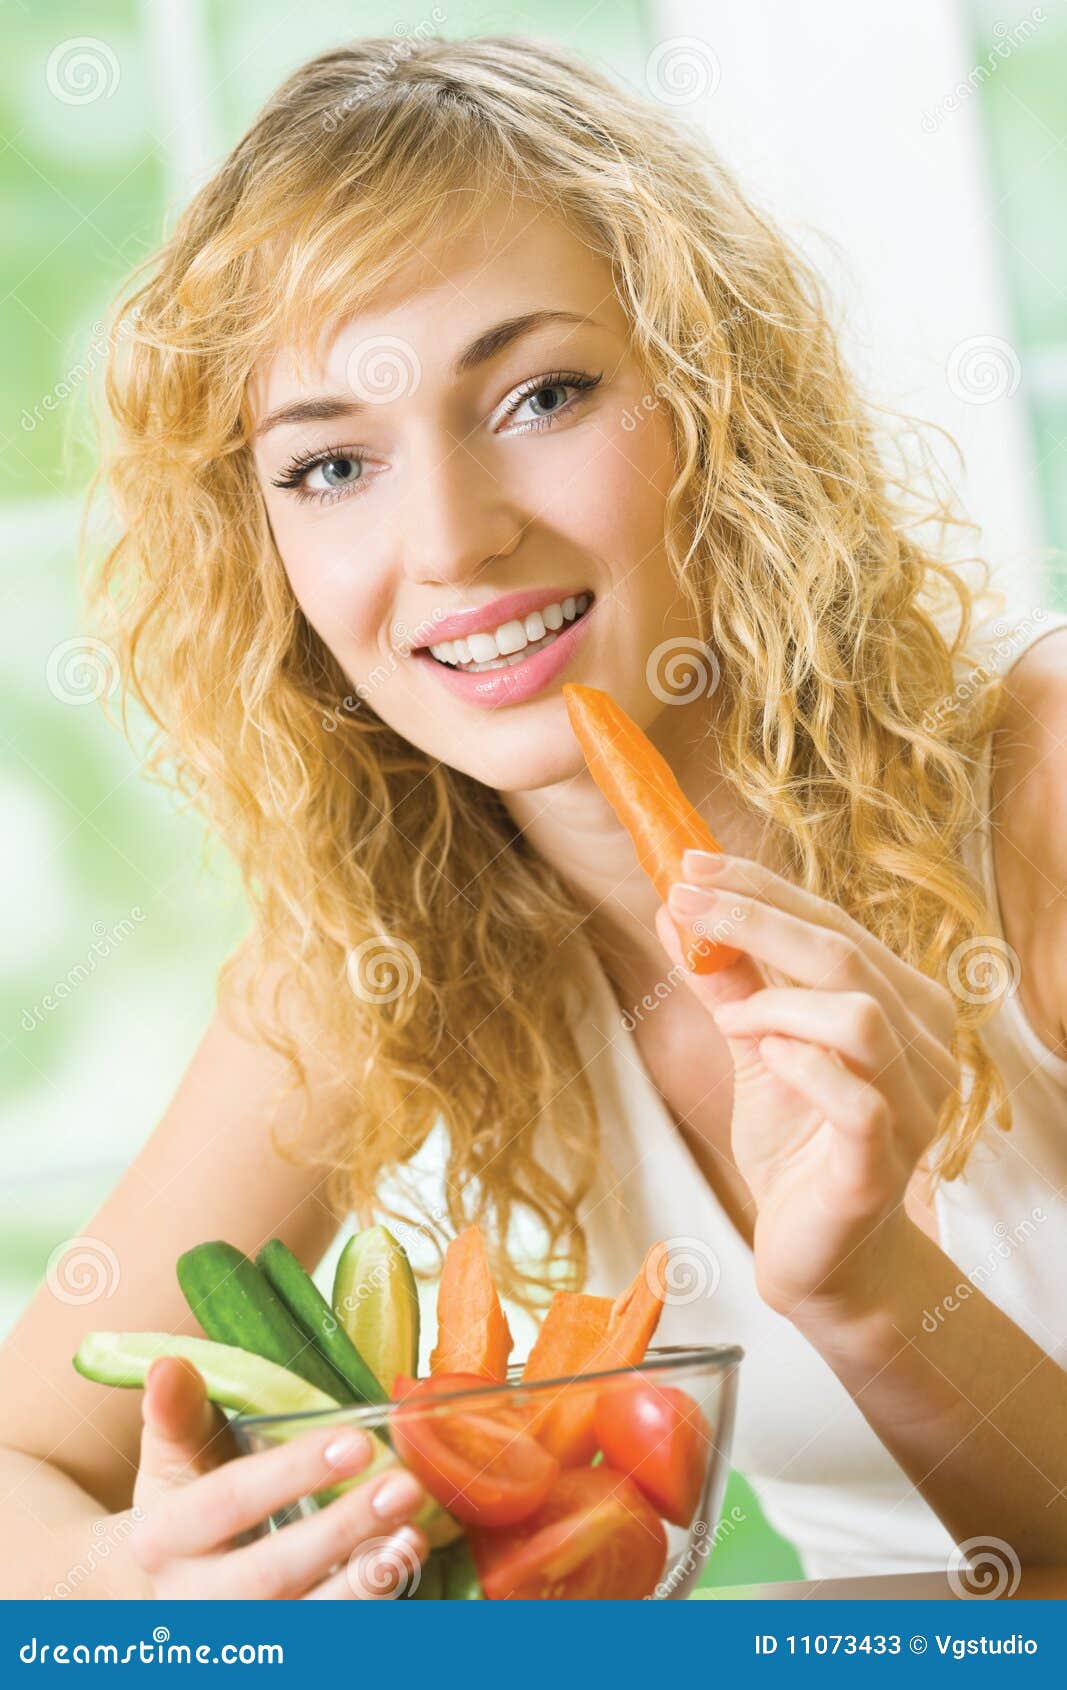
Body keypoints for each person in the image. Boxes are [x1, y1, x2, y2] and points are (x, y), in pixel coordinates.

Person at [1, 33, 1065, 1599]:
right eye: (331, 465)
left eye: (540, 395)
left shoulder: (1040, 785)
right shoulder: (380, 941)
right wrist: (146, 1586)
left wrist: (877, 1293)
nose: (451, 540)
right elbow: (24, 1465)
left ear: (720, 398)